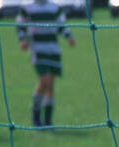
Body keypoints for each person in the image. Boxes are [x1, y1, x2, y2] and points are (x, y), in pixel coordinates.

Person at [16, 0, 76, 128]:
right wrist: (22, 40)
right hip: (37, 50)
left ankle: (48, 121)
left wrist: (69, 37)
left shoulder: (54, 8)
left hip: (53, 49)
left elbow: (61, 26)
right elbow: (20, 25)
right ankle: (35, 115)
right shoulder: (27, 7)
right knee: (44, 81)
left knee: (50, 85)